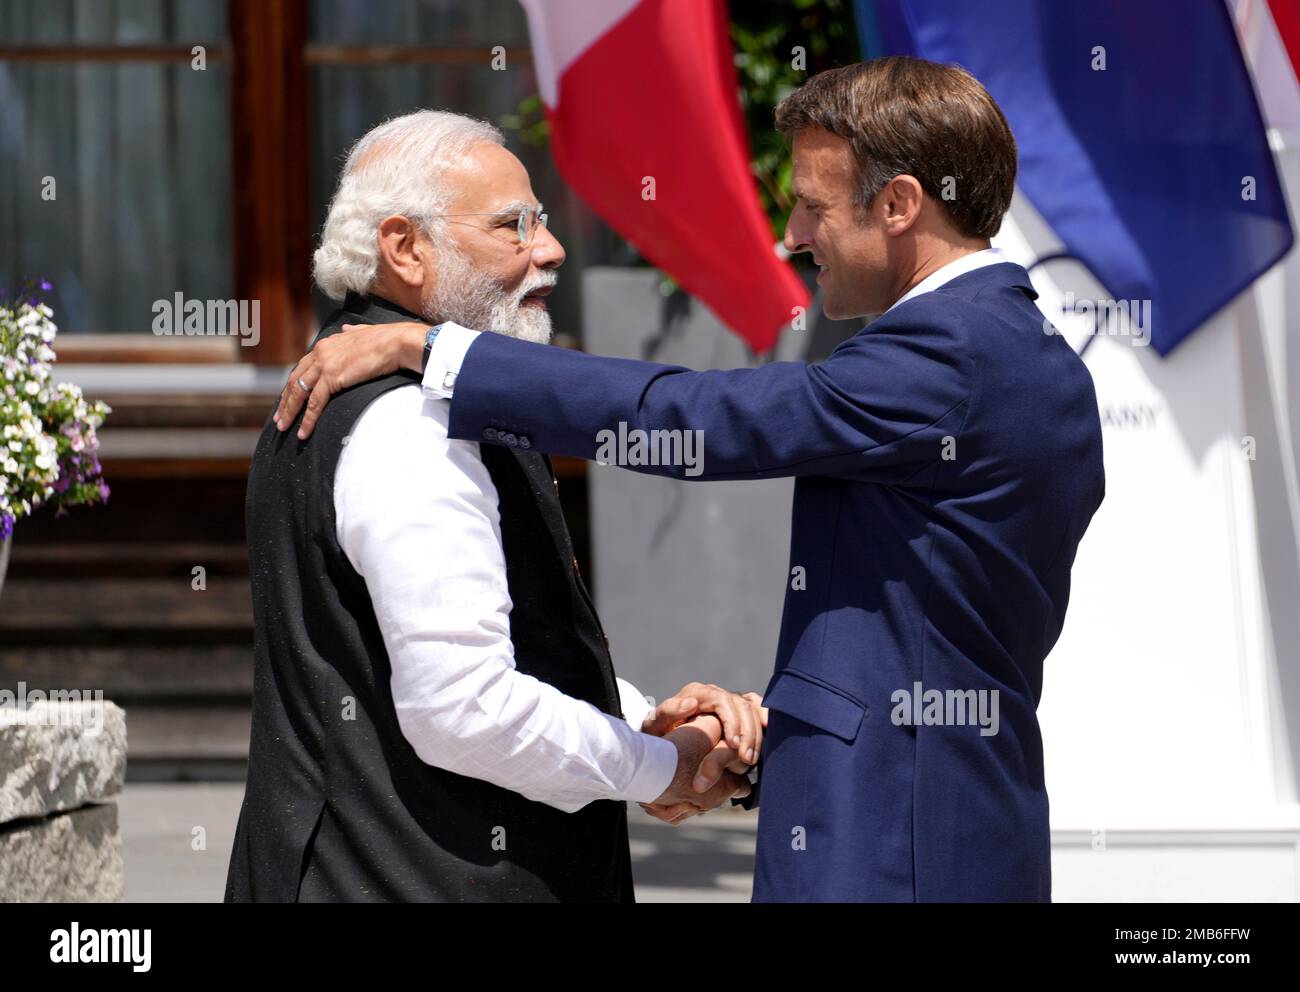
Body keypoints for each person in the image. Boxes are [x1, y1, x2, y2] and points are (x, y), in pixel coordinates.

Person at [276, 58, 1106, 902]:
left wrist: (435, 351)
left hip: (896, 843)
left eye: (812, 206)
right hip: (936, 818)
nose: (793, 235)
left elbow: (699, 421)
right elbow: (924, 624)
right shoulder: (1022, 351)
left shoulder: (952, 352)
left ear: (898, 205)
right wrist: (732, 737)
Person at [226, 110, 764, 904]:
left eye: (541, 221)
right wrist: (660, 766)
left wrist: (642, 722)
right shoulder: (411, 424)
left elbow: (499, 650)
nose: (550, 249)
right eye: (514, 225)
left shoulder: (414, 392)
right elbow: (465, 706)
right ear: (405, 247)